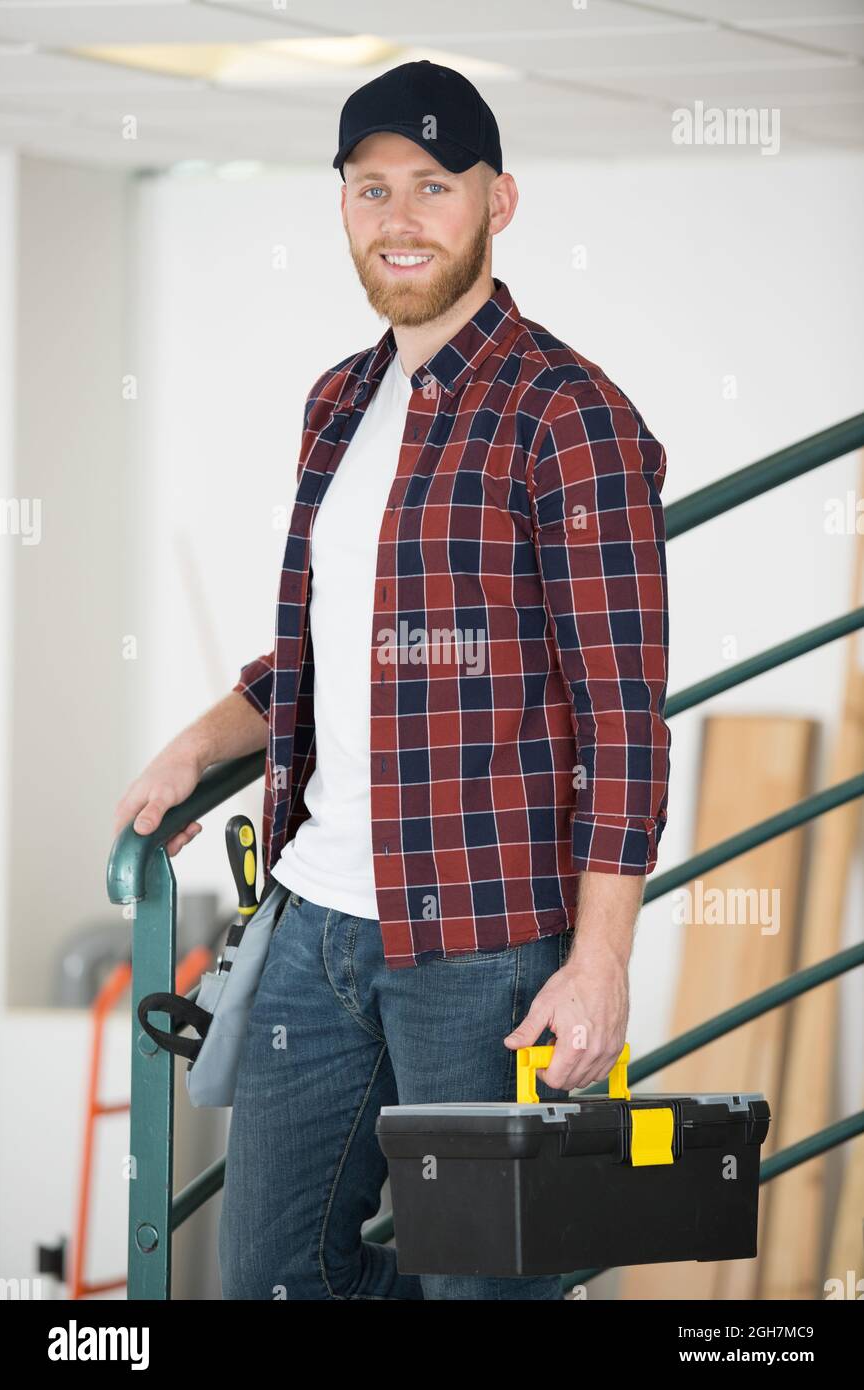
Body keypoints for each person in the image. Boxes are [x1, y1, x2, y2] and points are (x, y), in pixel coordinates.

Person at [113, 60, 671, 1301]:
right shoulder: (338, 401)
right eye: (370, 189)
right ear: (344, 208)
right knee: (264, 1271)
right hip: (314, 926)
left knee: (481, 1283)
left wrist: (601, 963)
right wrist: (191, 749)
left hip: (483, 946)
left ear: (498, 201)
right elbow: (311, 650)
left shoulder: (568, 416)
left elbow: (625, 718)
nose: (399, 217)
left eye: (432, 185)